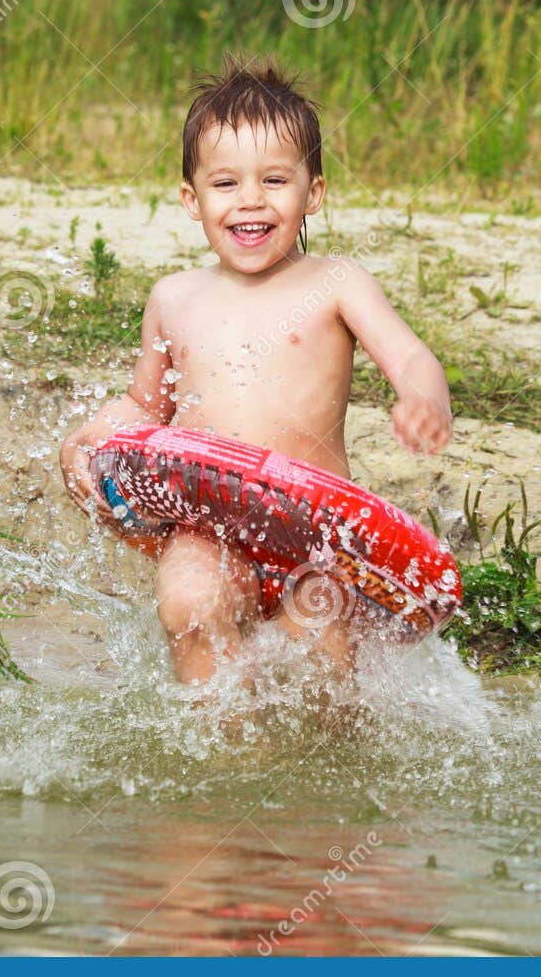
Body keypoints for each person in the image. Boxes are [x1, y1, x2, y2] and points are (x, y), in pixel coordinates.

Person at [59, 58, 453, 686]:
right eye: (225, 184)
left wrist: (422, 396)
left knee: (325, 657)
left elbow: (409, 355)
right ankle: (221, 767)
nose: (250, 201)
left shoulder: (334, 283)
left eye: (274, 180)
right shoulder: (174, 297)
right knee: (187, 602)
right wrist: (88, 436)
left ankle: (323, 777)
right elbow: (144, 407)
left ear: (313, 193)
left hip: (315, 538)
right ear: (192, 199)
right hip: (208, 524)